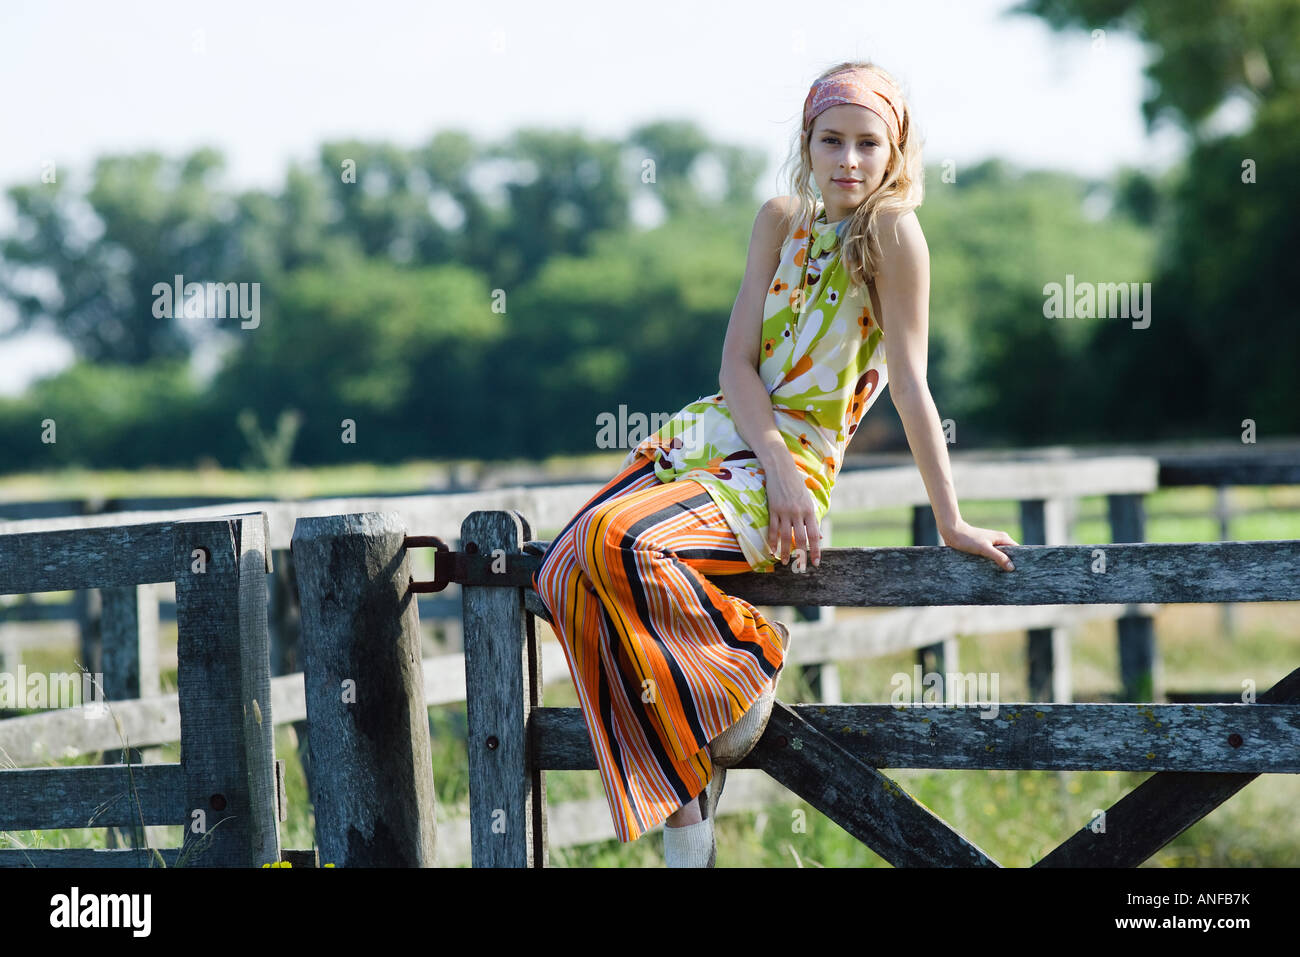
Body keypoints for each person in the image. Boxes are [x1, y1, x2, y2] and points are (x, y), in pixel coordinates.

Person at [533, 60, 1019, 868]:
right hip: (722, 439)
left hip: (791, 471)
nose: (849, 160)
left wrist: (950, 518)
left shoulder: (894, 233)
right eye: (833, 140)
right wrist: (770, 457)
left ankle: (746, 666)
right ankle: (688, 794)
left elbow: (910, 384)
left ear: (896, 151)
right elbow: (735, 366)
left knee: (623, 543)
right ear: (808, 141)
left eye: (869, 143)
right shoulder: (778, 218)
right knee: (557, 573)